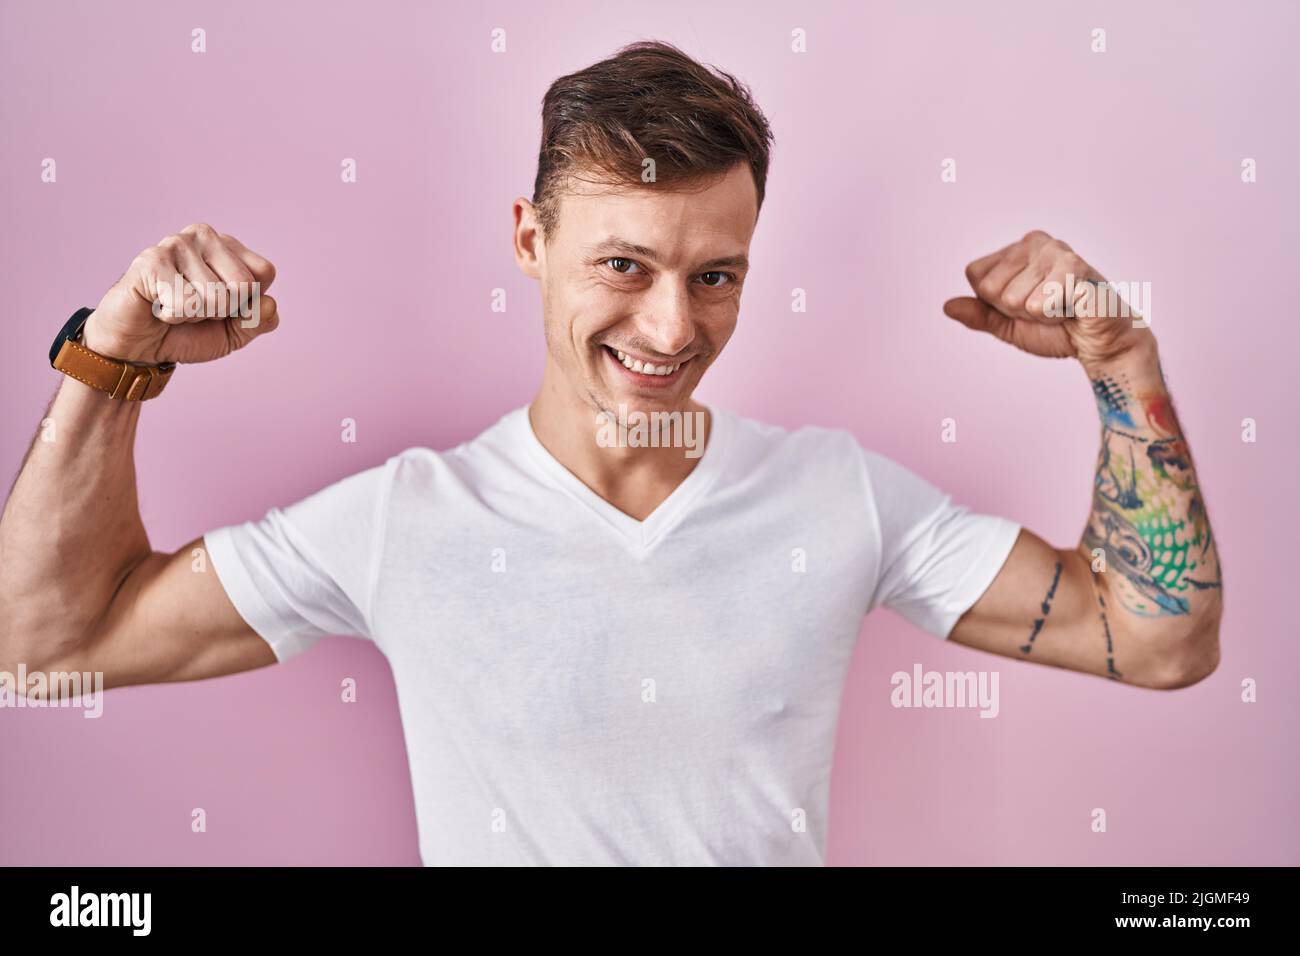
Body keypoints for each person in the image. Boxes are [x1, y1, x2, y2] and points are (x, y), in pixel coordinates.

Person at [0, 41, 1222, 865]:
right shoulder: (403, 520)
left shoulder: (840, 495)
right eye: (623, 265)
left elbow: (1160, 640)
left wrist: (1120, 360)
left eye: (716, 275)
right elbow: (43, 646)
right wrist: (112, 366)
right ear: (529, 238)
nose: (671, 327)